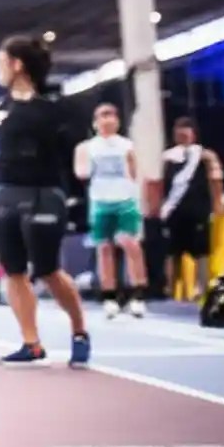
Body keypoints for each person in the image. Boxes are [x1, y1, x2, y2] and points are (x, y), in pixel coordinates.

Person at [0, 35, 91, 367]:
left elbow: (72, 151)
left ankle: (79, 330)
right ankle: (31, 343)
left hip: (45, 194)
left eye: (2, 60)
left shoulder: (55, 109)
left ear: (17, 64)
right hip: (4, 194)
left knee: (48, 270)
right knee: (13, 270)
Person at [74, 102, 148, 318]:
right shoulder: (87, 147)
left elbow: (135, 173)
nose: (108, 120)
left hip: (125, 199)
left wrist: (137, 197)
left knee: (130, 244)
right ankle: (109, 296)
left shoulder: (127, 145)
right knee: (104, 248)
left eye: (111, 115)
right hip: (100, 200)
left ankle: (138, 295)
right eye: (103, 116)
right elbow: (81, 172)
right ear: (95, 122)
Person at [160, 116, 222, 301]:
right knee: (172, 252)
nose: (183, 134)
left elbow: (215, 180)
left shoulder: (206, 155)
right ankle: (171, 290)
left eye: (186, 130)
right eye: (179, 131)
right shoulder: (167, 157)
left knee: (201, 252)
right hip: (174, 212)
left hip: (198, 209)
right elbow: (160, 184)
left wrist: (217, 202)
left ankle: (201, 289)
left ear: (194, 134)